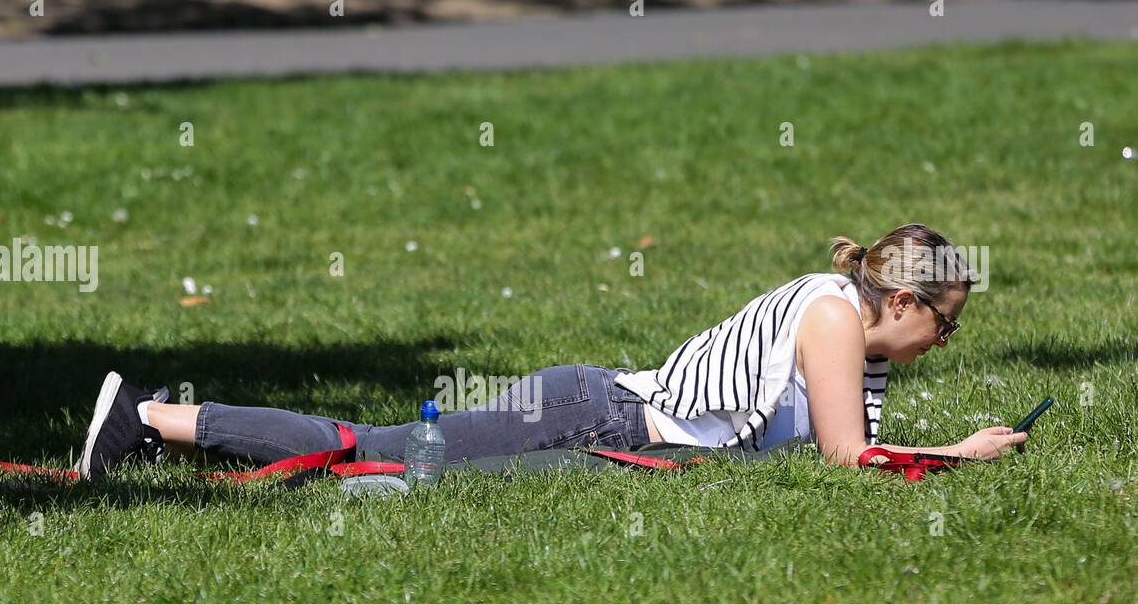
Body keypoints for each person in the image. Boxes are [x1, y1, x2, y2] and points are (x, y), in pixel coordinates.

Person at [74, 223, 1028, 480]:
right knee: (381, 448)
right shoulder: (829, 317)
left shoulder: (857, 342)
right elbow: (844, 461)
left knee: (405, 476)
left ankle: (168, 435)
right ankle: (152, 417)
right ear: (899, 300)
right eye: (945, 321)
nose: (946, 339)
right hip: (597, 414)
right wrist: (960, 455)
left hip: (613, 431)